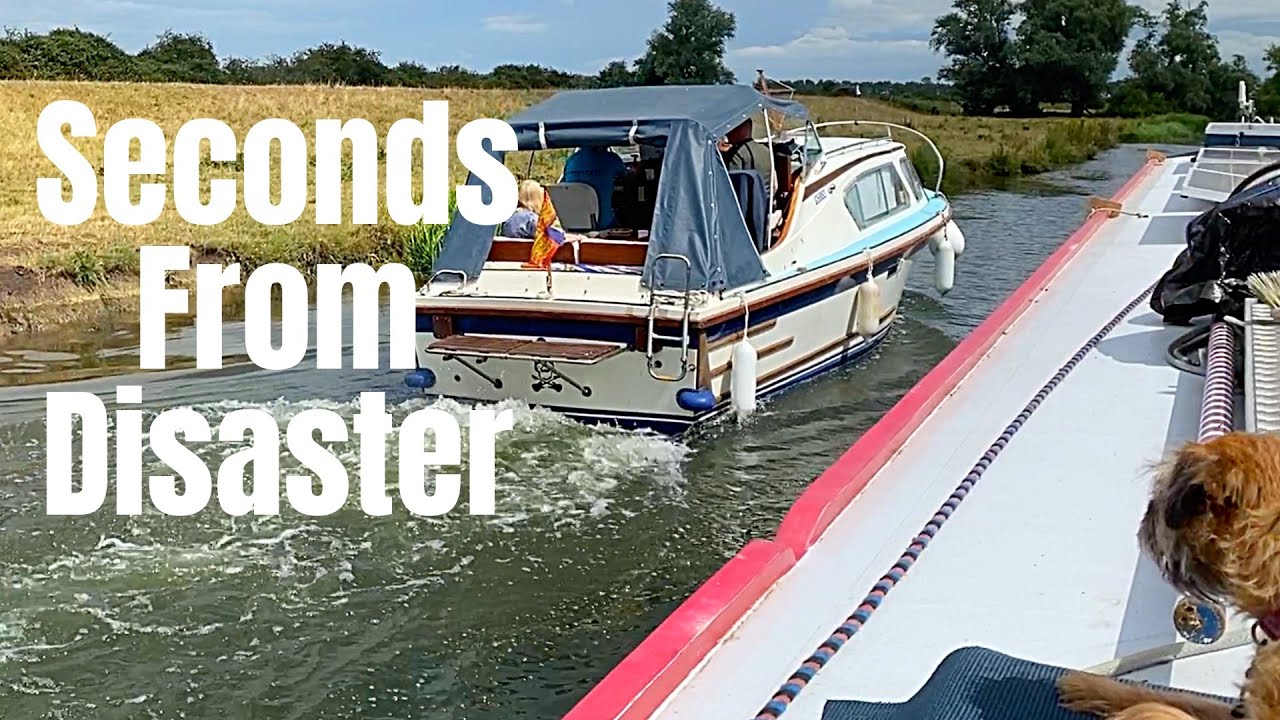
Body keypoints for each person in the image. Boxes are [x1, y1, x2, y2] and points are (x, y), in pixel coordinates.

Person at [562, 145, 625, 229]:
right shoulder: (611, 159)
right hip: (603, 223)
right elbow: (626, 176)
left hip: (573, 223)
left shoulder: (571, 161)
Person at [720, 119, 774, 203]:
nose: (727, 133)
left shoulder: (736, 153)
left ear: (737, 130)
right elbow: (775, 185)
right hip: (766, 201)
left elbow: (731, 187)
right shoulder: (766, 150)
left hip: (747, 205)